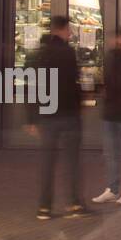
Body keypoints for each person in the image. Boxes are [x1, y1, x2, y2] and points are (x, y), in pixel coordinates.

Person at [28, 16, 88, 220]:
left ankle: (44, 207)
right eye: (68, 29)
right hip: (68, 114)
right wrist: (80, 106)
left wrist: (31, 118)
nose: (70, 33)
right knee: (71, 162)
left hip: (47, 115)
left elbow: (32, 87)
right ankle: (73, 204)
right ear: (61, 30)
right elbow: (75, 83)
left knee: (47, 162)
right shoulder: (68, 52)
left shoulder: (39, 54)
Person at [92, 29, 121, 206]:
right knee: (112, 153)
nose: (118, 41)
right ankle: (112, 189)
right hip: (111, 112)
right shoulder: (111, 57)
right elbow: (108, 81)